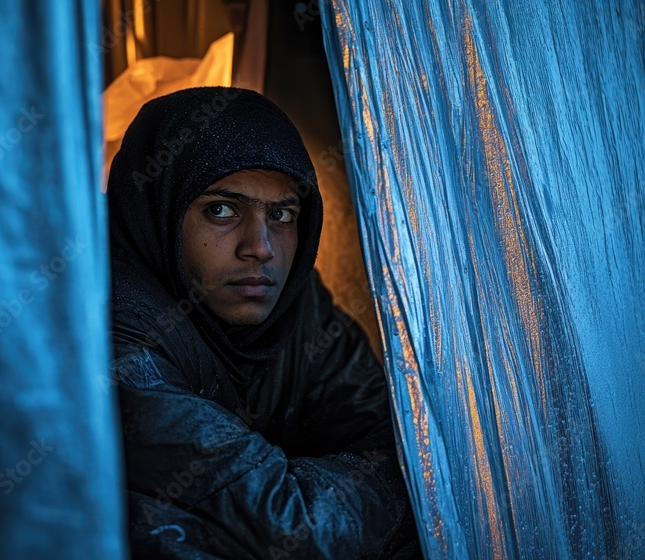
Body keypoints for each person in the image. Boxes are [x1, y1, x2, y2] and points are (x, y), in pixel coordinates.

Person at [107, 86, 419, 558]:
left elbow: (408, 452)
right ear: (160, 211)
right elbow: (294, 524)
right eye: (221, 209)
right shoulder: (118, 333)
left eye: (281, 214)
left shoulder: (297, 307)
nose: (261, 246)